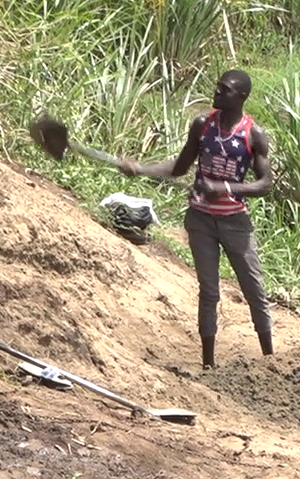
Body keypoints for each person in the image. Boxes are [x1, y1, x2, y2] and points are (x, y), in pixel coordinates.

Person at [119, 69, 274, 370]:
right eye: (218, 86)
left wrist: (225, 188)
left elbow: (265, 184)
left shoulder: (252, 134)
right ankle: (208, 365)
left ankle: (271, 362)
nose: (217, 92)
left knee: (254, 288)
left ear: (242, 97)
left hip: (235, 222)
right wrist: (140, 169)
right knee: (209, 290)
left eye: (225, 89)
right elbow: (179, 168)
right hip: (201, 219)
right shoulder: (203, 126)